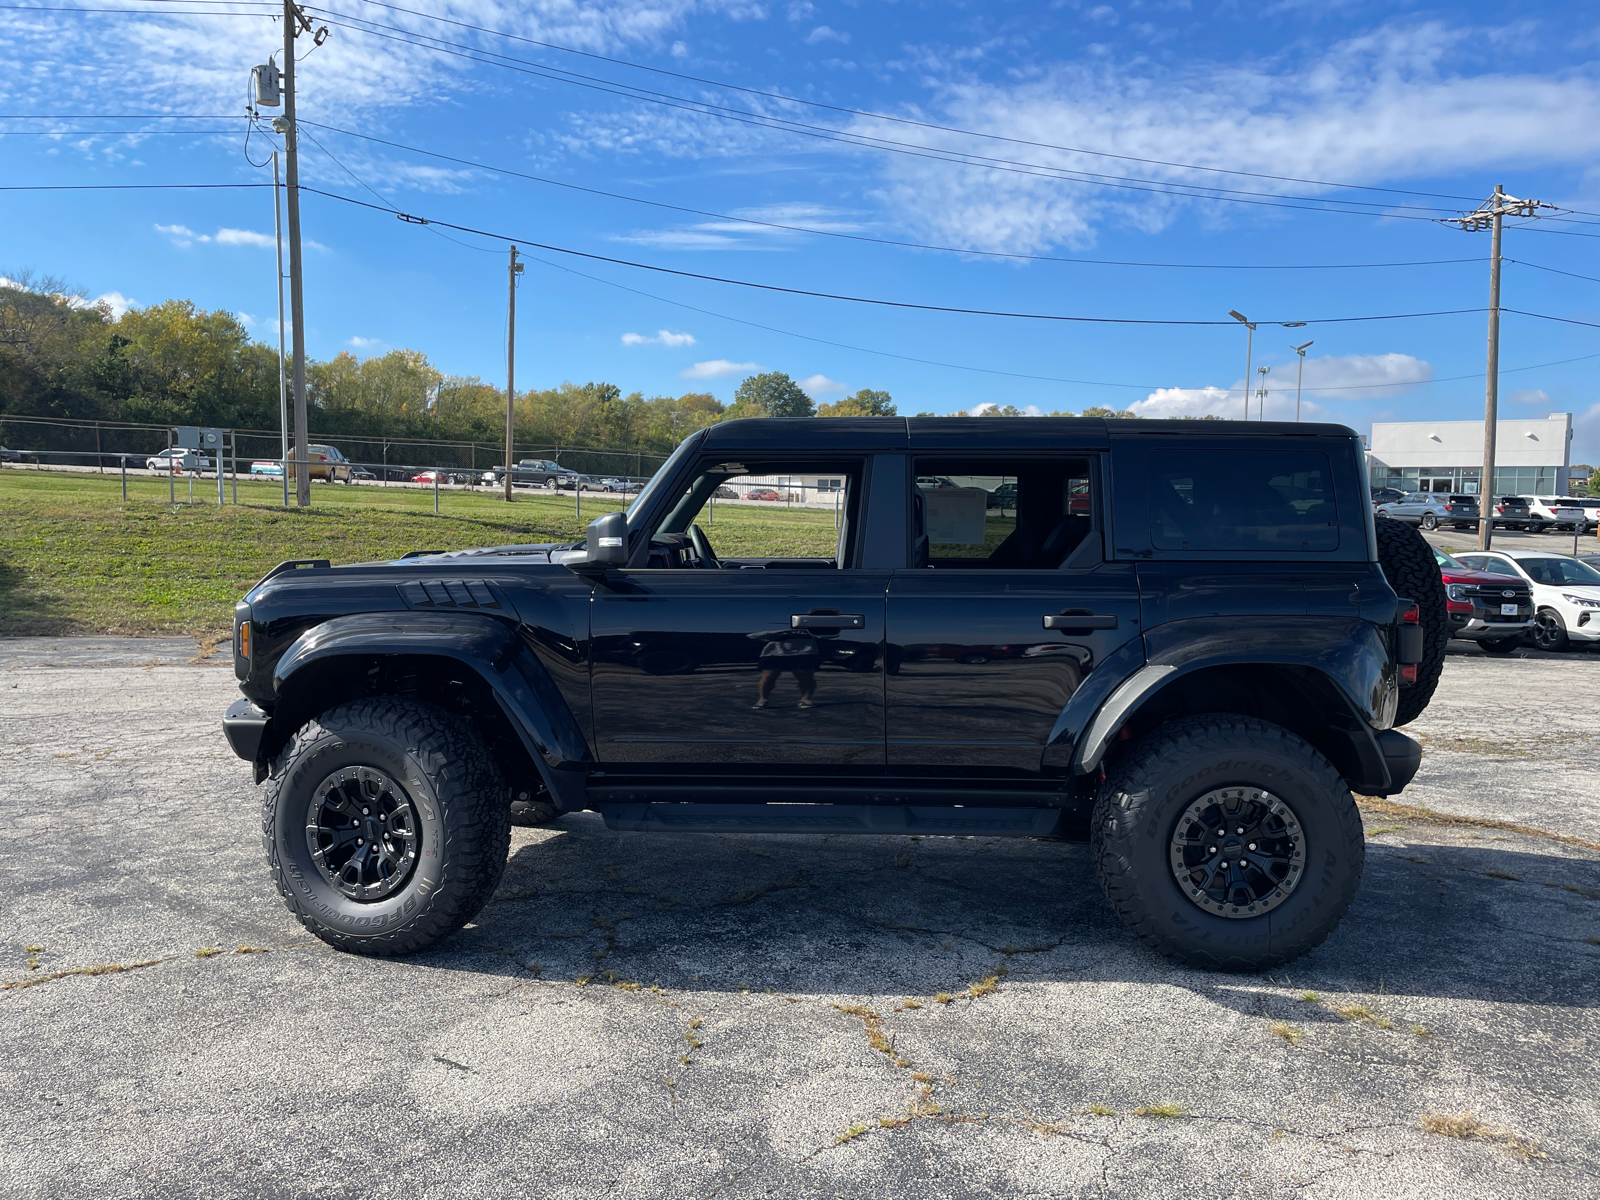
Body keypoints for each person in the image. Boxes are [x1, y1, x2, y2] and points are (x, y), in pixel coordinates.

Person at [747, 628, 820, 709]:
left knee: (805, 675)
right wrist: (780, 632)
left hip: (805, 650)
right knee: (769, 676)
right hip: (774, 652)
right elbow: (752, 635)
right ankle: (762, 700)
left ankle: (805, 699)